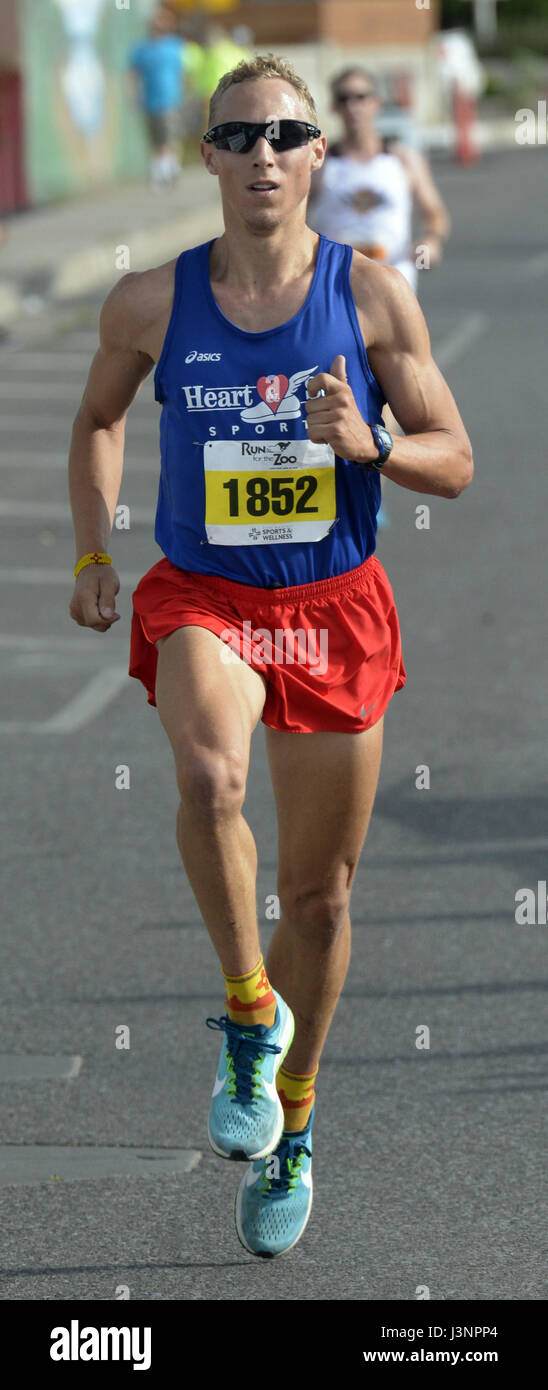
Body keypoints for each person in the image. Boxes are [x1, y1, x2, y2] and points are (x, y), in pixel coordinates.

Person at [68, 54, 473, 1259]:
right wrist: (95, 549)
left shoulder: (370, 295)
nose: (262, 155)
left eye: (285, 135)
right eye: (238, 136)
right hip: (209, 594)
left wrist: (373, 444)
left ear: (314, 159)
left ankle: (292, 1125)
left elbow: (454, 454)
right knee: (207, 779)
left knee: (321, 894)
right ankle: (249, 1014)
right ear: (207, 156)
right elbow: (93, 418)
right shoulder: (149, 301)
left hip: (335, 606)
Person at [308, 66, 451, 294]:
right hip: (335, 284)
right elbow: (291, 218)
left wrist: (430, 241)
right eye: (344, 99)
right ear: (334, 106)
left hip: (394, 282)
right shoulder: (319, 163)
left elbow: (434, 213)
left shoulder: (404, 159)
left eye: (361, 97)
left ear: (376, 103)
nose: (352, 106)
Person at [127, 4, 187, 188]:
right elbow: (133, 74)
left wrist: (185, 93)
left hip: (171, 100)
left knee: (169, 138)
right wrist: (134, 94)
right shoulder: (142, 49)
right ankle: (166, 172)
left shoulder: (175, 46)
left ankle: (166, 174)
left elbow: (183, 72)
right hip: (151, 101)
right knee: (157, 140)